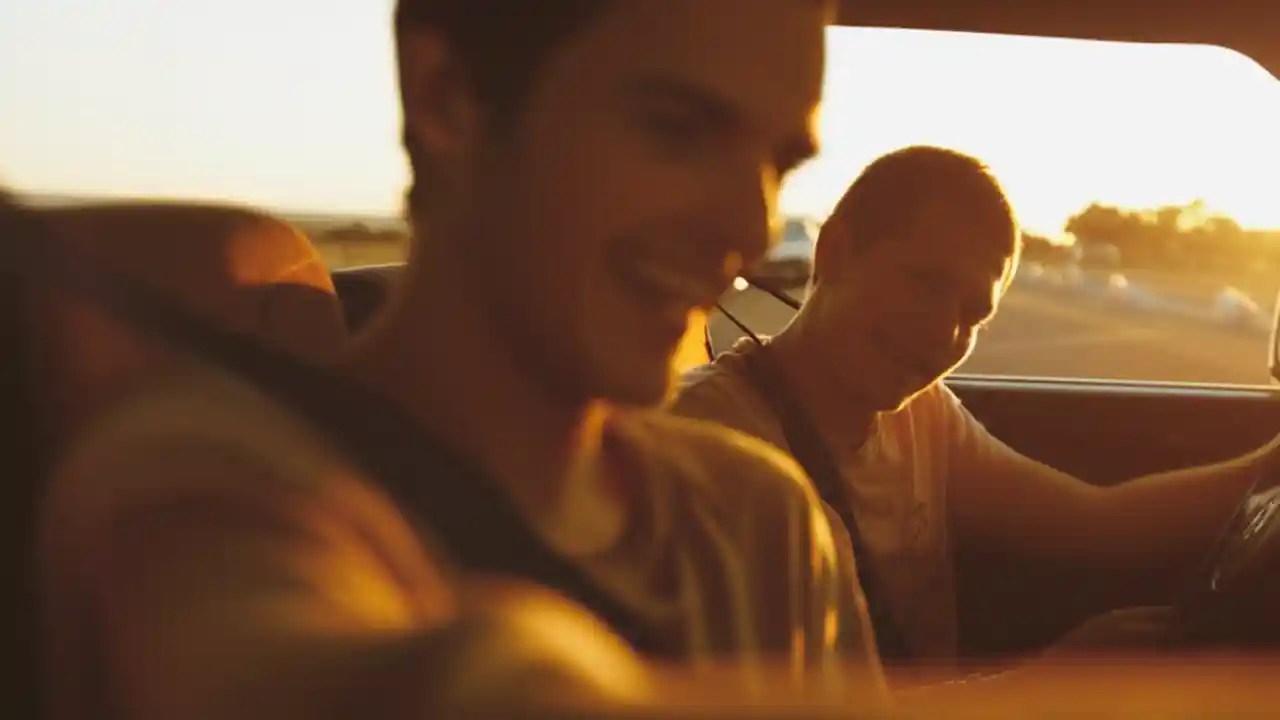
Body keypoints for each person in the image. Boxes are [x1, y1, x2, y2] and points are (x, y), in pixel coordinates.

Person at [34, 1, 896, 717]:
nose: (748, 229)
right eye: (675, 131)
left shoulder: (763, 526)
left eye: (776, 164)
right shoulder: (194, 478)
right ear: (448, 97)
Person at [671, 144, 1280, 668]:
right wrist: (1044, 686)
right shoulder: (712, 442)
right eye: (926, 284)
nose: (944, 332)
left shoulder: (921, 417)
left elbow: (1094, 523)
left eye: (972, 314)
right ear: (835, 251)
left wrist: (1269, 465)